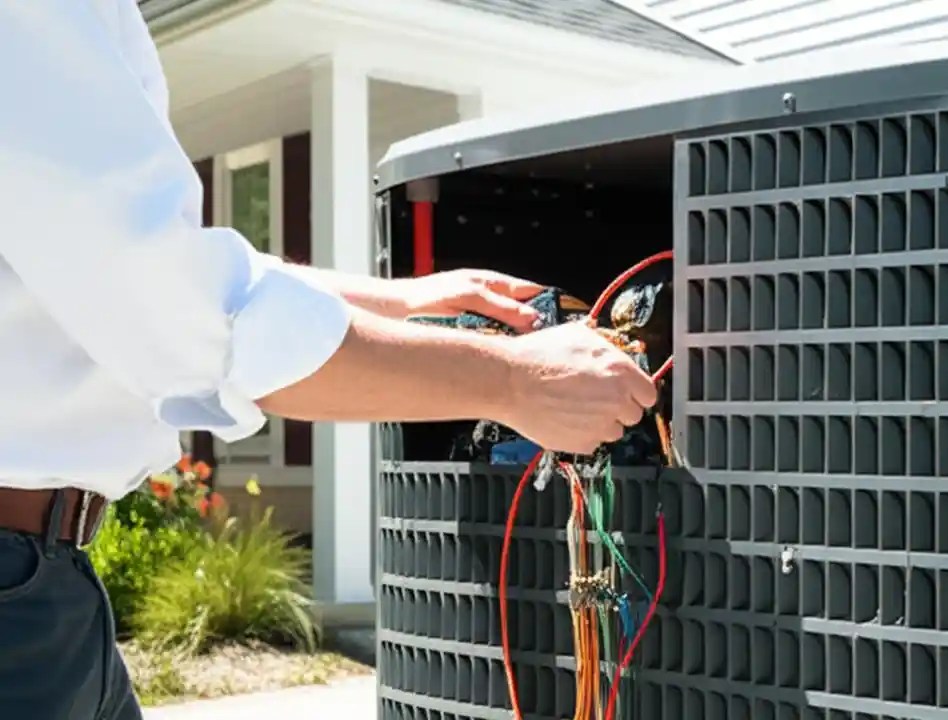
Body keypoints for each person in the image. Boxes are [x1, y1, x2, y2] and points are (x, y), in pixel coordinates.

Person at [0, 3, 658, 719]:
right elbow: (166, 296)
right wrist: (511, 380)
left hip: (48, 584)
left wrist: (400, 303)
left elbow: (165, 266)